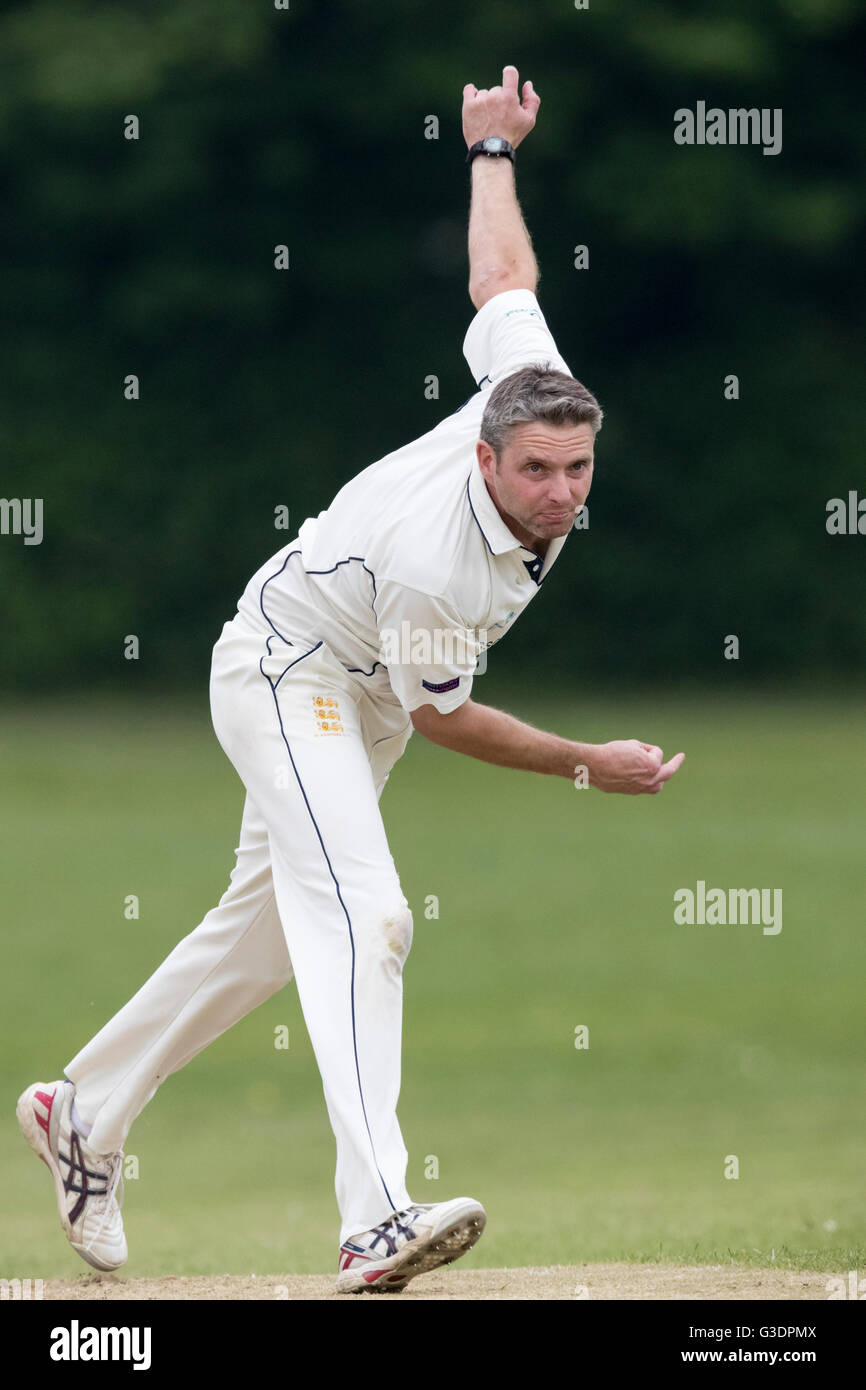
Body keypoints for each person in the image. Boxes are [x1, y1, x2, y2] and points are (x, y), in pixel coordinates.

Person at [17, 65, 684, 1296]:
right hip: (290, 667)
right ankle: (374, 1216)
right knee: (370, 915)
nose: (562, 492)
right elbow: (446, 720)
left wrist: (490, 154)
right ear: (486, 453)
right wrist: (589, 762)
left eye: (578, 467)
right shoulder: (439, 561)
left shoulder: (527, 383)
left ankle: (83, 1107)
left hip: (362, 682)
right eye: (536, 470)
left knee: (268, 935)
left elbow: (502, 284)